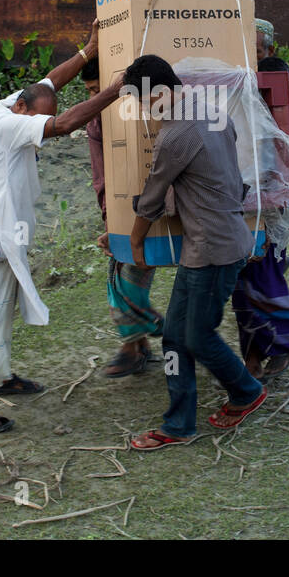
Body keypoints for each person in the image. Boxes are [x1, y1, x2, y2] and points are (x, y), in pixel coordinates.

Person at [0, 21, 123, 434]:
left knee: (1, 310)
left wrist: (87, 51)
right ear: (23, 112)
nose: (44, 131)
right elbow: (61, 124)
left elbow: (50, 82)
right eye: (38, 121)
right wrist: (115, 90)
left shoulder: (14, 103)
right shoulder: (5, 124)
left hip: (2, 234)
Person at [124, 55, 268, 450]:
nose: (143, 112)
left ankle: (245, 391)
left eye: (143, 103)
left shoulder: (176, 134)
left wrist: (134, 241)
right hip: (217, 241)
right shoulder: (211, 110)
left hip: (213, 250)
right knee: (174, 335)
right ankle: (179, 422)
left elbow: (152, 197)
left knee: (198, 336)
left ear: (159, 93)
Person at [232, 18, 289, 382]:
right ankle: (255, 356)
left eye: (259, 52)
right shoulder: (238, 80)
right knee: (245, 282)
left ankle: (272, 347)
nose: (253, 59)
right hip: (243, 193)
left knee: (262, 273)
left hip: (275, 194)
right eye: (248, 52)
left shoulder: (283, 81)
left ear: (271, 51)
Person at [82, 58, 163, 377]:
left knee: (131, 279)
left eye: (96, 90)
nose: (93, 98)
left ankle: (150, 332)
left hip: (141, 209)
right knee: (117, 277)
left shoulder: (134, 115)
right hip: (114, 209)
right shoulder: (97, 120)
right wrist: (108, 218)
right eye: (88, 91)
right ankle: (139, 345)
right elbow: (101, 174)